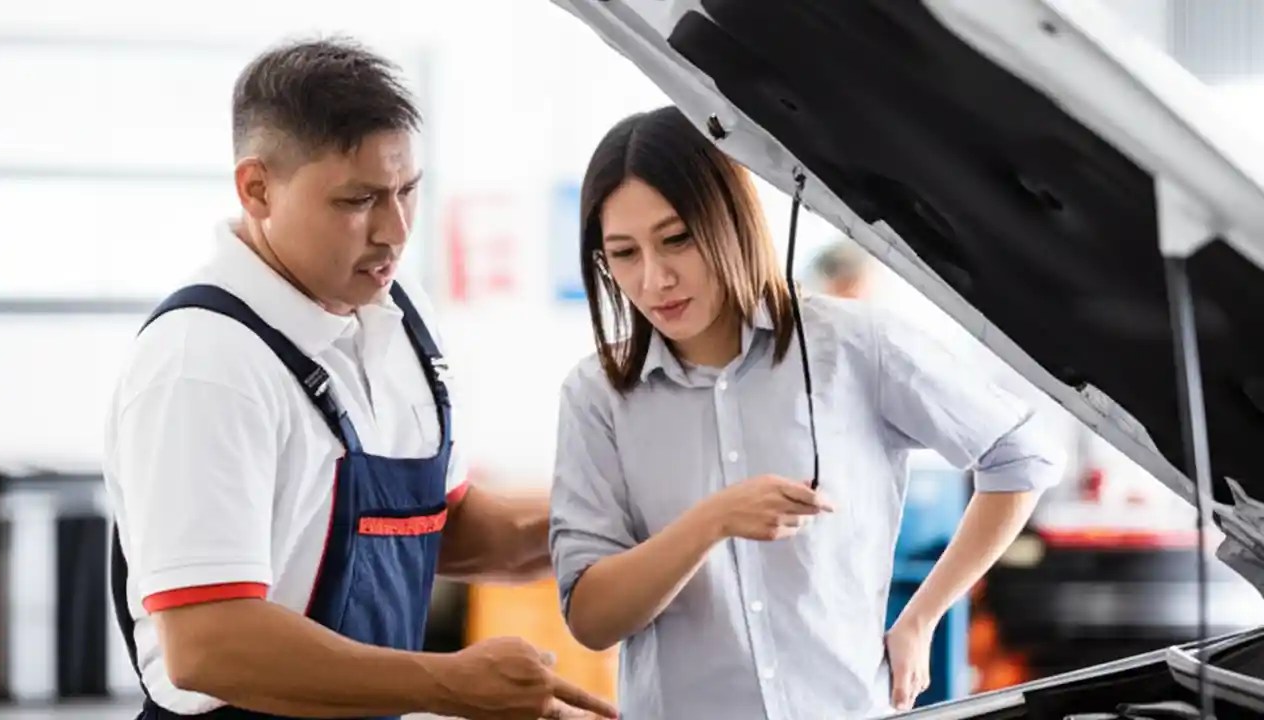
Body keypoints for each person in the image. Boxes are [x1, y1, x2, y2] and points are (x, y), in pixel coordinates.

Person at [103, 37, 617, 720]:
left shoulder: (401, 315)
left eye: (407, 191)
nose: (396, 231)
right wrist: (450, 683)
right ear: (256, 189)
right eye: (358, 200)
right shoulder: (204, 363)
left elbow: (441, 525)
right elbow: (209, 643)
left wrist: (638, 518)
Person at [549, 106, 1065, 719]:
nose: (655, 278)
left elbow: (1022, 456)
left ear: (729, 220)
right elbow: (591, 618)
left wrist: (921, 618)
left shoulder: (852, 344)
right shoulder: (598, 394)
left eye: (676, 239)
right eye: (623, 253)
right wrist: (711, 520)